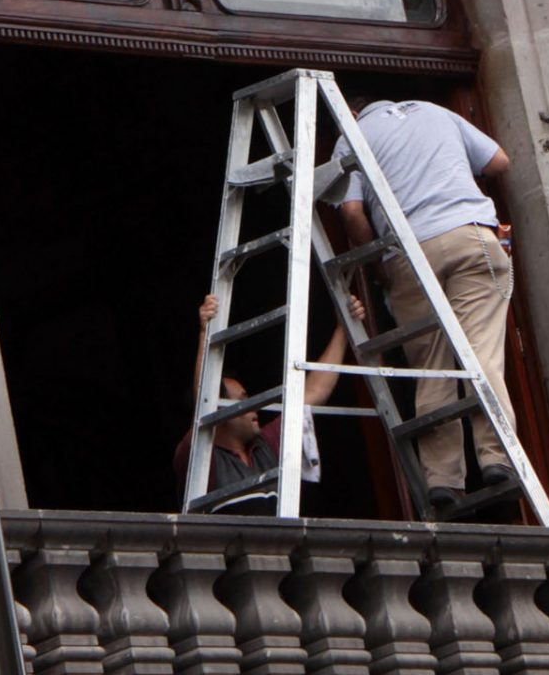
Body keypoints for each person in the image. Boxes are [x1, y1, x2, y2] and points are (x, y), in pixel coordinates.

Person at [335, 95, 515, 515]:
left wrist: (378, 261)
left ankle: (443, 481)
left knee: (430, 366)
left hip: (409, 255)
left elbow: (351, 212)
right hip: (470, 237)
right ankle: (497, 460)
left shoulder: (353, 133)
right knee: (482, 354)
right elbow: (499, 162)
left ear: (357, 109)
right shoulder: (439, 112)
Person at [172, 291, 362, 510]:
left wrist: (343, 329)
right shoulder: (204, 460)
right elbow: (203, 405)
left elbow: (313, 392)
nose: (255, 407)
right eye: (244, 400)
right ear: (219, 411)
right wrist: (206, 333)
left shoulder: (266, 444)